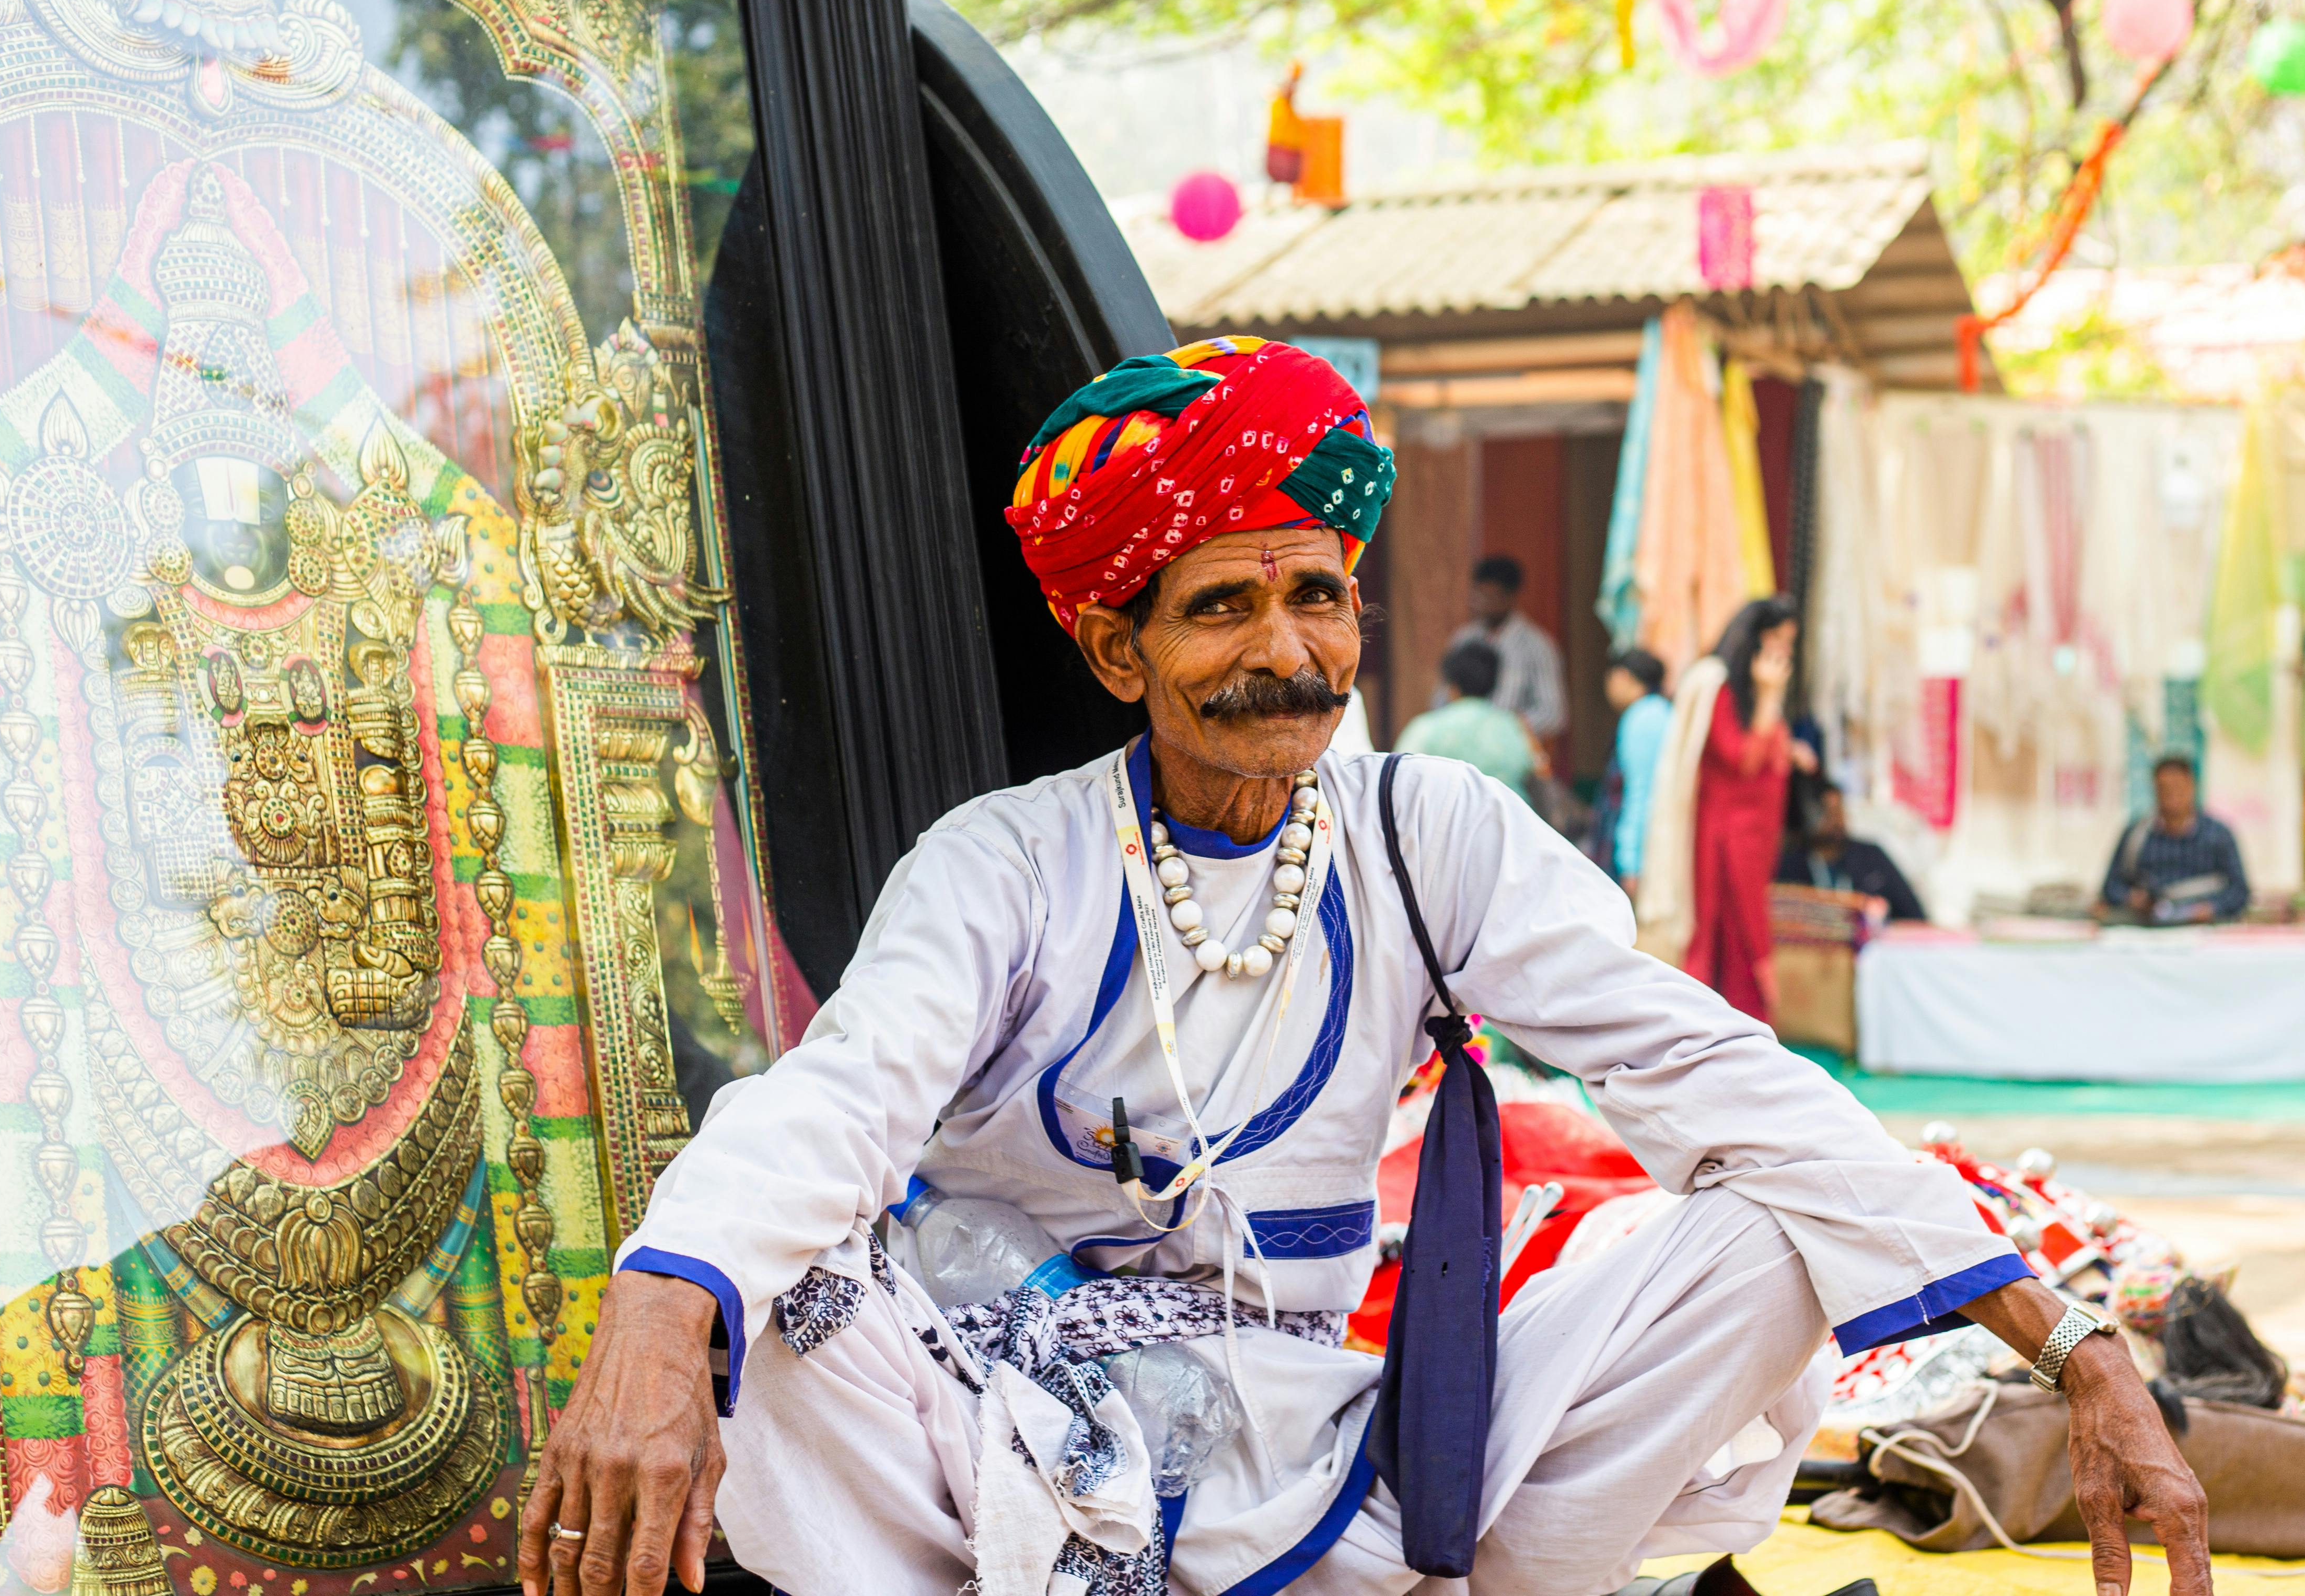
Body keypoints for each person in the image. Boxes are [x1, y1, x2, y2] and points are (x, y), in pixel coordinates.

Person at [519, 340, 2209, 1596]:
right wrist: (664, 1313)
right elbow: (839, 1096)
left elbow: (1706, 1066)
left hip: (1346, 1437)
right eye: (1222, 606)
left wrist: (2073, 1345)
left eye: (1318, 597)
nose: (1289, 649)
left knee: (1779, 1211)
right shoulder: (1008, 862)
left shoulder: (1429, 831)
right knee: (790, 1288)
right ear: (1119, 643)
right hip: (1007, 1425)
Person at [1682, 597, 1813, 1022]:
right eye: (1777, 639)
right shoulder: (1720, 690)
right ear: (1753, 639)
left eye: (1790, 643)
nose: (1783, 653)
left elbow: (1768, 754)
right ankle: (1723, 1030)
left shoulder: (1756, 694)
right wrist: (1771, 696)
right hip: (1727, 836)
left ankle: (1748, 1033)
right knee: (1731, 931)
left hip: (1757, 836)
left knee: (1750, 926)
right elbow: (1740, 758)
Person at [2098, 754, 2251, 924]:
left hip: (2205, 931)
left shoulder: (2218, 836)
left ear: (2192, 787)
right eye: (2164, 788)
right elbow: (2110, 887)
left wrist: (2212, 908)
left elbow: (2240, 891)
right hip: (2148, 931)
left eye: (2178, 787)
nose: (2171, 795)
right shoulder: (2136, 835)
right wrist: (2132, 899)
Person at [1442, 553, 1567, 738]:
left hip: (1511, 754)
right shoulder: (1463, 640)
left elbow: (1553, 714)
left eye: (1490, 596)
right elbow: (1442, 699)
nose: (1481, 602)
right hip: (1462, 747)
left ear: (1510, 596)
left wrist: (1502, 731)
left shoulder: (1537, 646)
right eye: (1478, 594)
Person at [1396, 641, 1537, 799]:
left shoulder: (1425, 729)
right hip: (1511, 819)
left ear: (1452, 686)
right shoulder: (1515, 726)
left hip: (1448, 822)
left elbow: (1400, 781)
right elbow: (1535, 772)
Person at [1774, 778, 1927, 924]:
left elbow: (1914, 916)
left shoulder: (1871, 858)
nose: (1837, 820)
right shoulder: (1789, 865)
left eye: (1840, 810)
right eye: (1828, 813)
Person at [1603, 648, 1672, 896]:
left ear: (1624, 677)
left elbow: (1640, 791)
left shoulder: (1644, 718)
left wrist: (1630, 861)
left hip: (1642, 852)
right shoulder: (1657, 711)